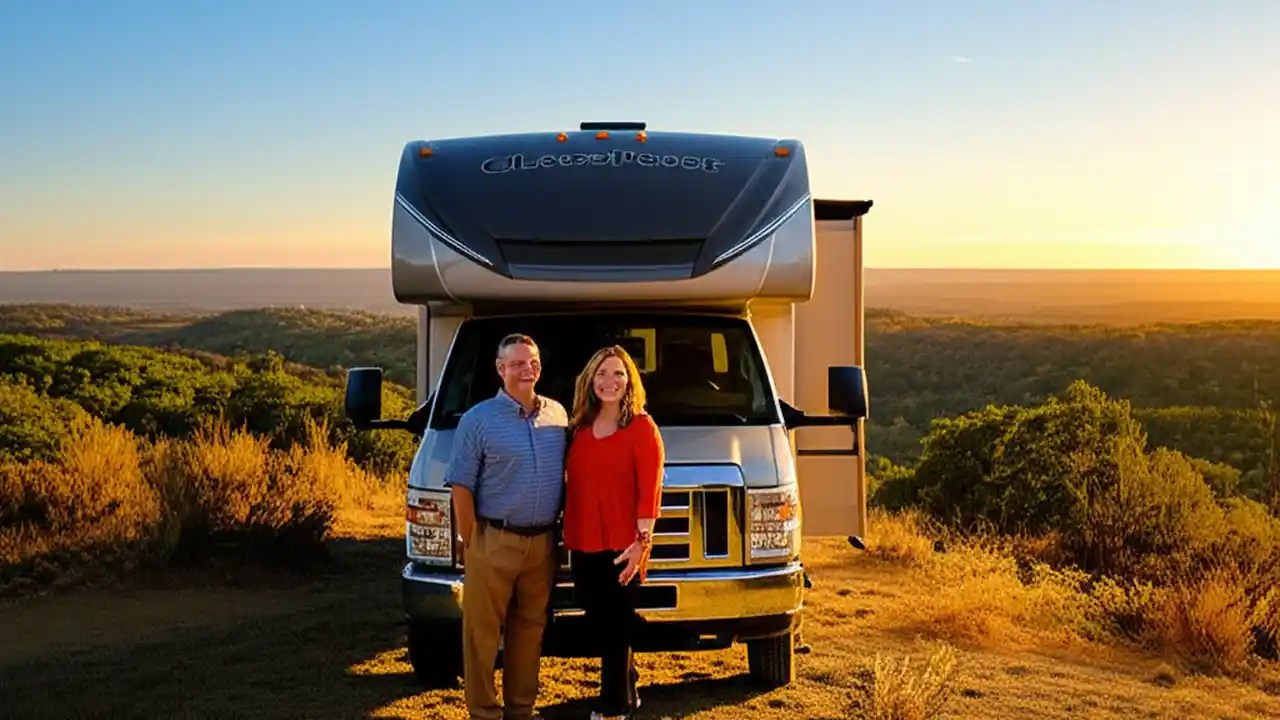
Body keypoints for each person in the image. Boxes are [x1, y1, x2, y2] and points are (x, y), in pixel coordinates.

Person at [444, 333, 569, 720]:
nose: (526, 369)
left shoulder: (559, 415)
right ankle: (483, 712)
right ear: (500, 370)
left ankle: (521, 709)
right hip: (493, 540)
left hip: (542, 543)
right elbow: (461, 484)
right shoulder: (477, 420)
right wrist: (471, 537)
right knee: (481, 634)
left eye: (532, 361)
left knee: (529, 630)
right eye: (516, 363)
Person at [562, 345, 665, 720]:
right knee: (602, 620)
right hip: (584, 541)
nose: (610, 381)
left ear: (629, 381)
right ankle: (629, 684)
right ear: (590, 381)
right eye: (602, 373)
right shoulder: (579, 430)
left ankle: (613, 707)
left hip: (625, 544)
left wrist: (642, 544)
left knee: (615, 625)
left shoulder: (641, 427)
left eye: (618, 373)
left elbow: (650, 488)